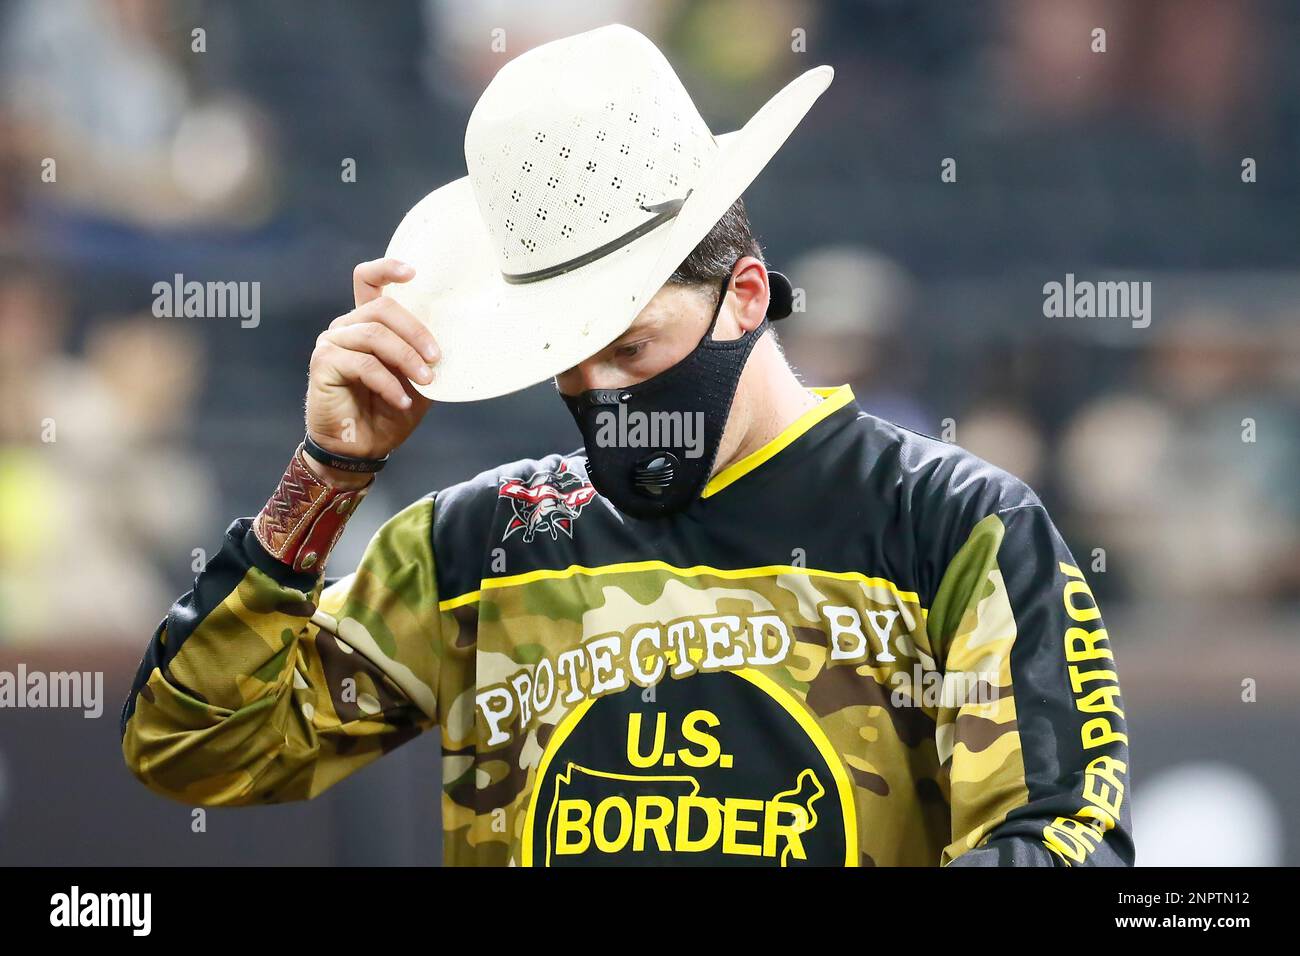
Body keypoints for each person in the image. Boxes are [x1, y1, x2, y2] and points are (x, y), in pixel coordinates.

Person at [120, 24, 1132, 867]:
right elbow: (196, 744)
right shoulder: (478, 544)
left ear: (743, 295)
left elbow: (1067, 835)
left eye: (632, 344)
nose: (602, 390)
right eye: (566, 355)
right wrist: (327, 475)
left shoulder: (949, 523)